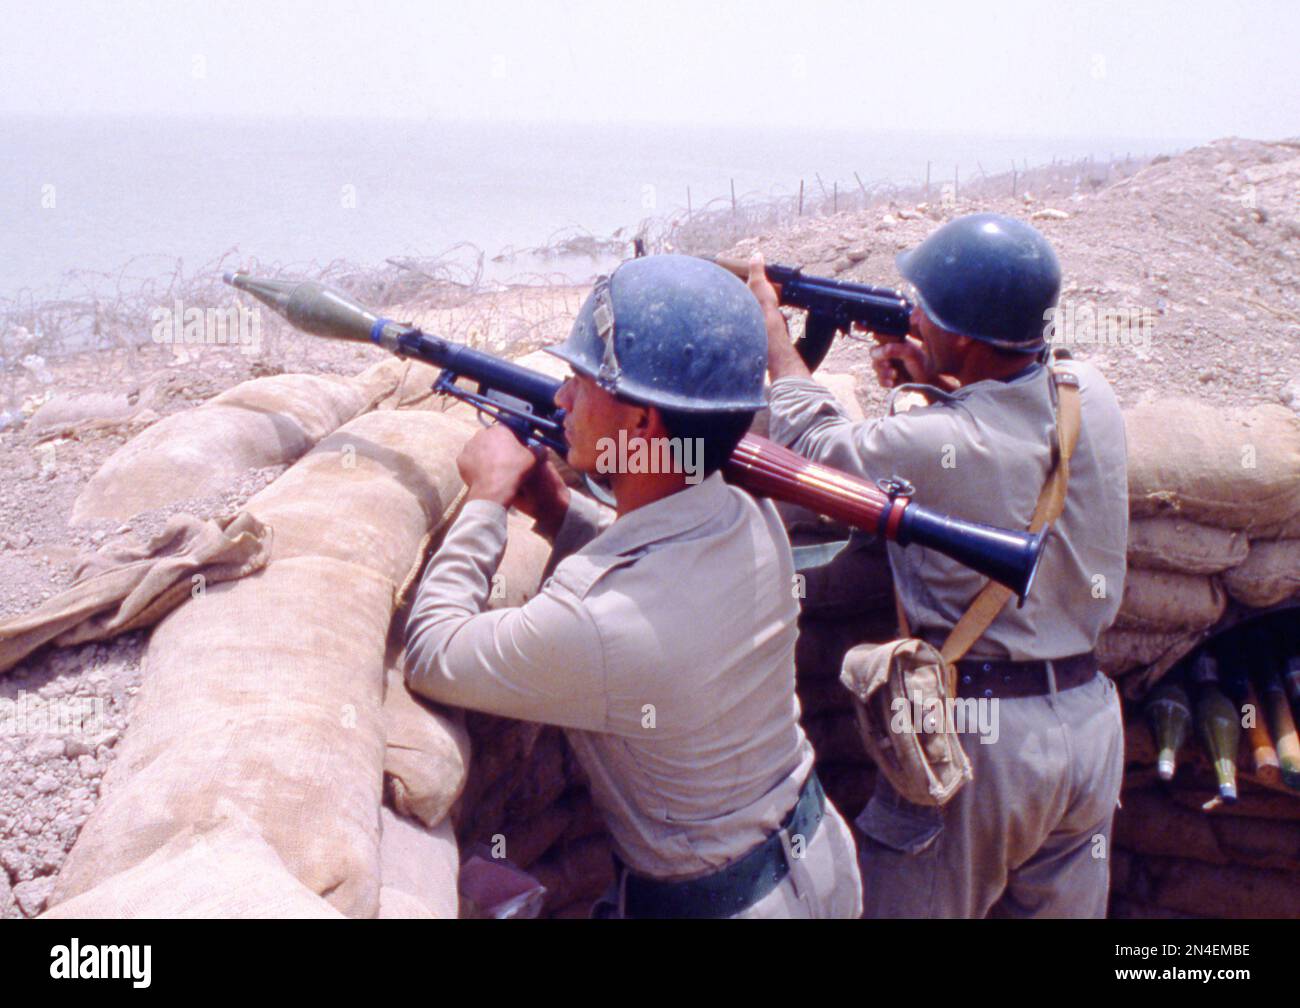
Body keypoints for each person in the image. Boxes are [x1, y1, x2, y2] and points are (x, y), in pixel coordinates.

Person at [404, 253, 862, 918]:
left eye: (582, 380)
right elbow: (662, 584)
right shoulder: (747, 512)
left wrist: (485, 500)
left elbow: (434, 653)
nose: (561, 397)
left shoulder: (592, 622)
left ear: (644, 425)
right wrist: (561, 516)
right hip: (818, 865)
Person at [752, 213, 1128, 918]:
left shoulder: (945, 441)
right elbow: (1004, 413)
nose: (912, 314)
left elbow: (815, 446)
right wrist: (936, 376)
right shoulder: (1091, 394)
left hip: (983, 747)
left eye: (925, 309)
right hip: (1087, 727)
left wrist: (777, 343)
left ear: (960, 333)